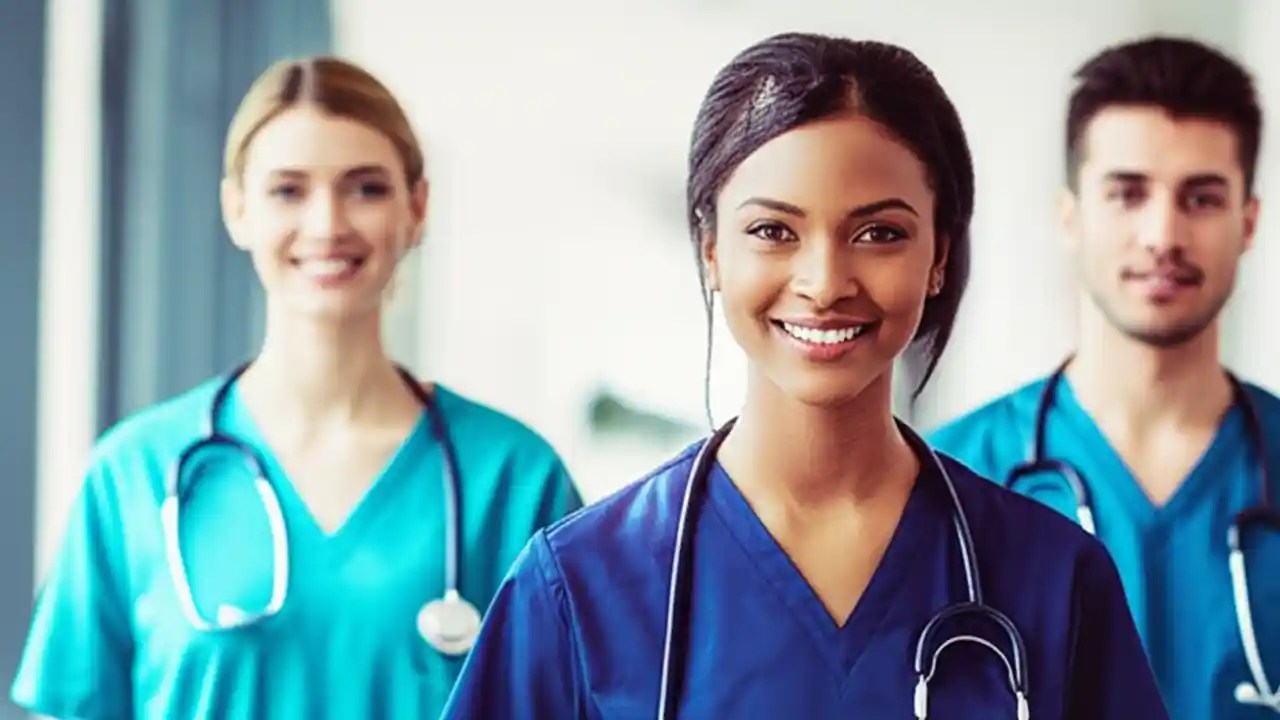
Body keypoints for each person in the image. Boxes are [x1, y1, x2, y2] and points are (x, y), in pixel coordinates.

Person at [440, 32, 1167, 719]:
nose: (824, 282)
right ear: (711, 250)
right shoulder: (580, 584)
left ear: (939, 254)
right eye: (773, 231)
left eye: (879, 233)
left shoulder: (1053, 578)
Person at [9, 56, 582, 720]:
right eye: (288, 190)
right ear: (237, 209)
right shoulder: (134, 472)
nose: (327, 224)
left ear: (417, 207)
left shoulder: (513, 479)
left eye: (365, 188)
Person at [927, 36, 1274, 719]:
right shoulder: (948, 479)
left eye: (1201, 198)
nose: (1162, 234)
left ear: (1248, 222)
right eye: (1127, 193)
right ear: (1071, 216)